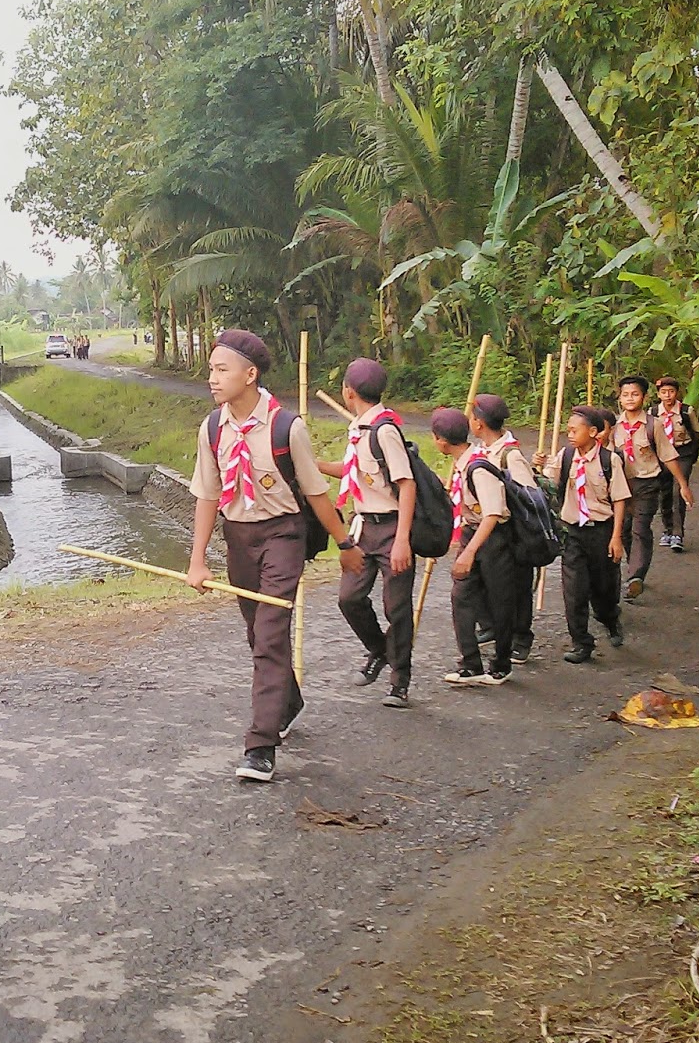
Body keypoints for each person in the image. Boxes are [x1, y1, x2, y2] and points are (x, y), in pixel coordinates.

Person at [187, 329, 365, 782]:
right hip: (238, 537)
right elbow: (207, 495)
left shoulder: (287, 428)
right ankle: (289, 701)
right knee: (257, 632)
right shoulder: (212, 428)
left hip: (284, 535)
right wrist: (197, 560)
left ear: (250, 374)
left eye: (221, 369)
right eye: (211, 370)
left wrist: (345, 544)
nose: (213, 378)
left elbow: (316, 493)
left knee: (270, 633)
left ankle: (260, 745)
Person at [317, 358, 415, 707]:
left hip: (391, 528)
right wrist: (313, 465)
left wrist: (402, 540)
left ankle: (399, 682)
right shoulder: (359, 428)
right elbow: (353, 471)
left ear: (348, 391)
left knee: (396, 607)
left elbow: (407, 484)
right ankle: (380, 650)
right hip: (363, 528)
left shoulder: (384, 431)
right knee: (350, 598)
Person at [536, 406, 630, 662]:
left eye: (574, 430)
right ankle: (581, 642)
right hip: (573, 532)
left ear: (593, 432)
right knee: (574, 590)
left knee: (603, 588)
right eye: (568, 430)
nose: (570, 434)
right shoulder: (566, 456)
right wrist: (538, 468)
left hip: (601, 531)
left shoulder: (609, 461)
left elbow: (619, 499)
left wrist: (616, 537)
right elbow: (548, 484)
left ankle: (610, 619)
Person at [431, 406, 516, 686]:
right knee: (462, 597)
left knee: (499, 600)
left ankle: (501, 664)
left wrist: (469, 553)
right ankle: (470, 664)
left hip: (493, 538)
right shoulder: (463, 464)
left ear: (441, 441)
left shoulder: (479, 468)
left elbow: (492, 513)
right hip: (473, 532)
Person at [468, 393, 536, 663]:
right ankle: (491, 626)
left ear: (479, 423)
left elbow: (528, 496)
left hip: (511, 531)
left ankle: (521, 638)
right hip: (485, 527)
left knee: (516, 588)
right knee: (483, 583)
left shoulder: (510, 455)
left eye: (472, 417)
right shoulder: (480, 450)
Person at [612, 375, 693, 600]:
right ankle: (634, 565)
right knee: (624, 529)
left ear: (644, 397)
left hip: (647, 484)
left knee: (640, 528)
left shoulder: (653, 425)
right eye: (625, 395)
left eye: (635, 394)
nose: (630, 399)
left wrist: (683, 485)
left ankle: (636, 576)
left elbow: (667, 456)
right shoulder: (614, 427)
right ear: (620, 398)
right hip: (621, 487)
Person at [652, 376, 699, 552]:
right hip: (661, 455)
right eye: (664, 392)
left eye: (671, 391)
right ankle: (667, 529)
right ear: (658, 394)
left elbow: (696, 435)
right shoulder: (653, 412)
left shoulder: (686, 411)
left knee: (679, 490)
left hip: (682, 453)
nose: (668, 395)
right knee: (664, 491)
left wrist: (692, 456)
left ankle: (678, 534)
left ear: (677, 393)